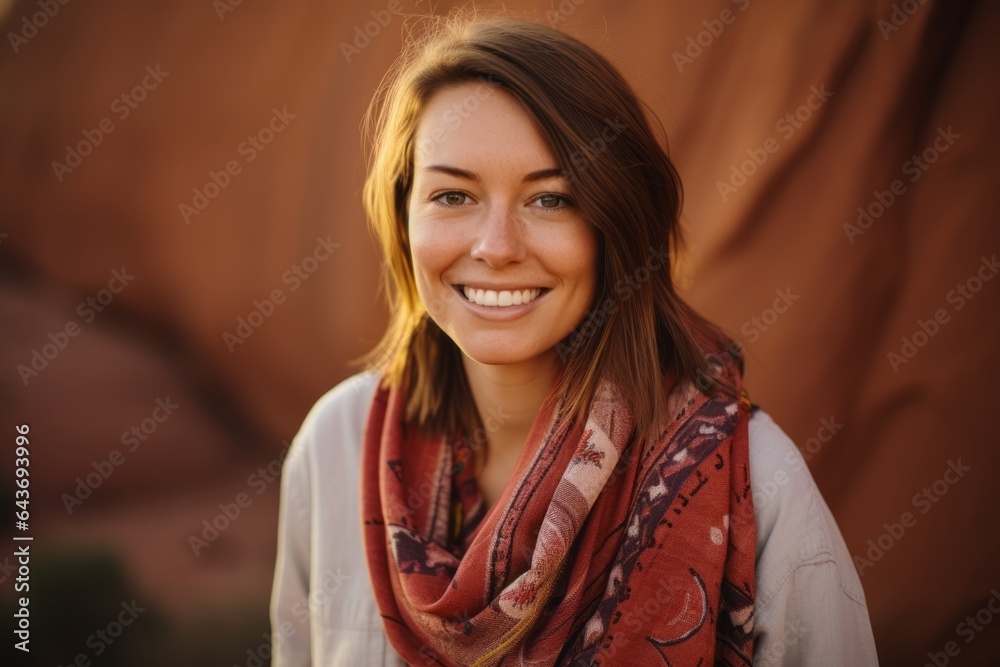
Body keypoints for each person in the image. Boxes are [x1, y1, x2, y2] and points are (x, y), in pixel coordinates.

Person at [270, 11, 879, 666]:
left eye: (550, 199)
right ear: (402, 217)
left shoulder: (758, 482)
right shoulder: (337, 444)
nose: (496, 247)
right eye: (452, 196)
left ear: (615, 227)